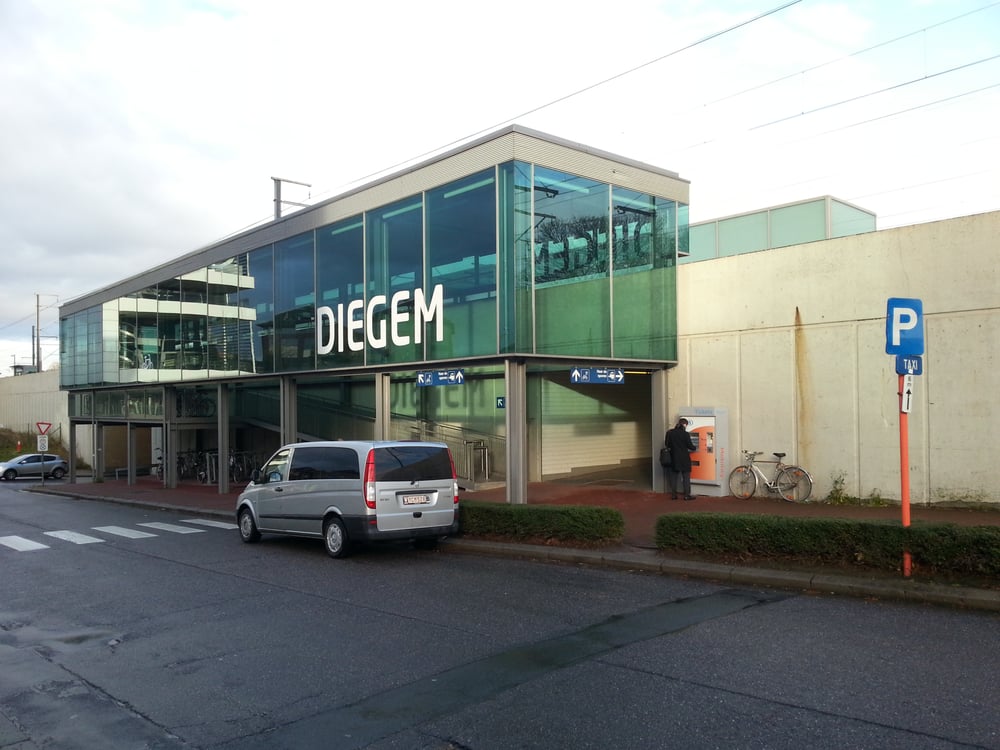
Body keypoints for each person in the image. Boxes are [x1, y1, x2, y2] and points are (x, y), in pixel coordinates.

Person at [664, 418, 696, 500]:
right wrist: (695, 447)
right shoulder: (685, 434)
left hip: (673, 458)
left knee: (674, 477)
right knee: (686, 476)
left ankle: (674, 495)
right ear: (685, 425)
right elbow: (691, 446)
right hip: (684, 458)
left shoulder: (670, 433)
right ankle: (686, 495)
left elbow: (667, 444)